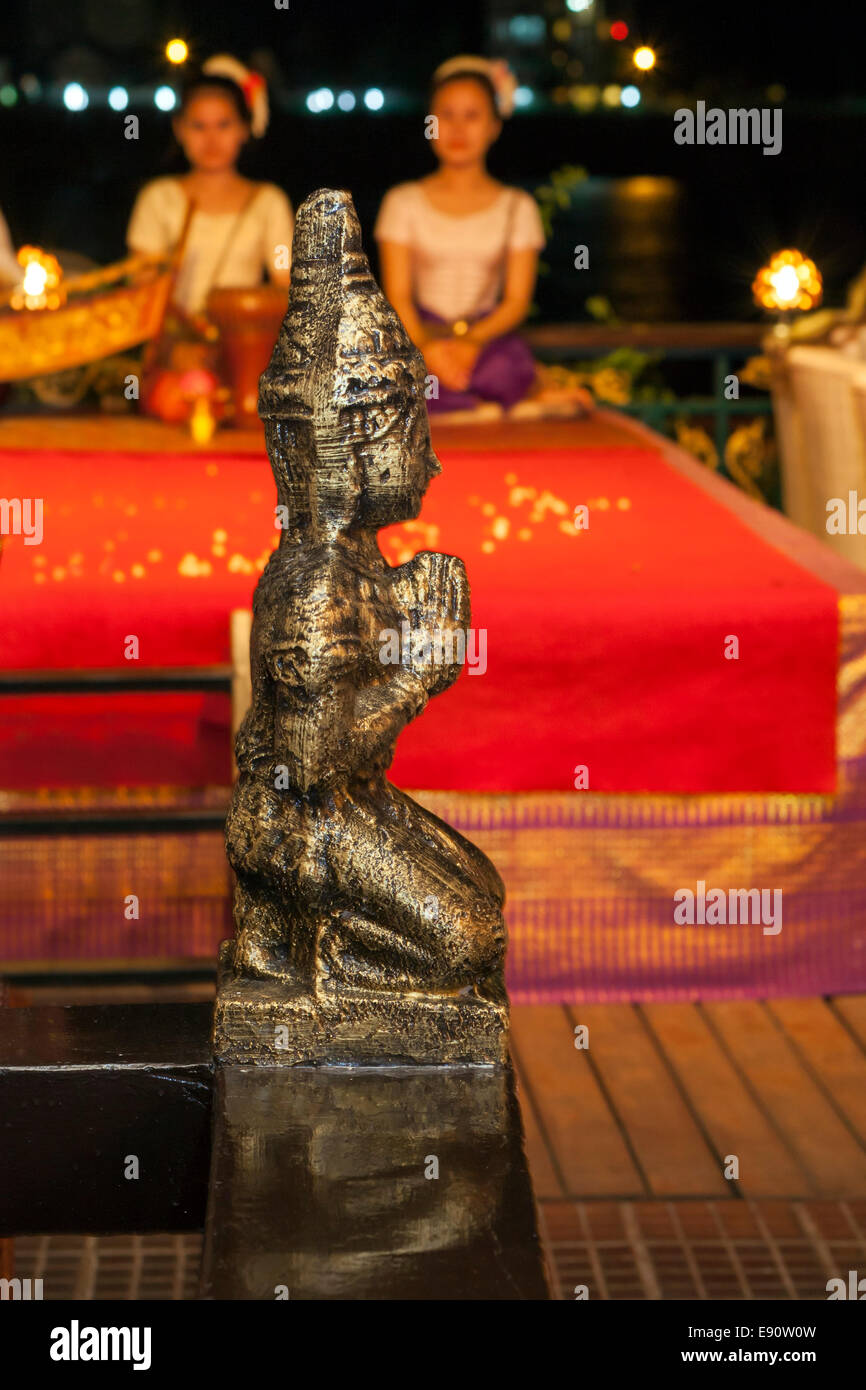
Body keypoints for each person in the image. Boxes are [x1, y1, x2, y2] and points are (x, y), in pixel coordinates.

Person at [374, 55, 543, 414]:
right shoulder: (403, 201)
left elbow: (516, 301)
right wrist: (428, 348)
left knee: (503, 373)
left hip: (484, 342)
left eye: (472, 116)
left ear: (495, 126)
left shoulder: (517, 206)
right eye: (446, 116)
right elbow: (399, 295)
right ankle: (476, 403)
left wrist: (472, 342)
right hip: (420, 337)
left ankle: (472, 399)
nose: (457, 129)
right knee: (400, 381)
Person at [126, 54, 293, 320]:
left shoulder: (269, 202)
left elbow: (284, 280)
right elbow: (143, 286)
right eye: (199, 126)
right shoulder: (157, 199)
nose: (211, 139)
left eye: (224, 125)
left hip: (245, 342)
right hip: (175, 347)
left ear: (244, 128)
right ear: (179, 129)